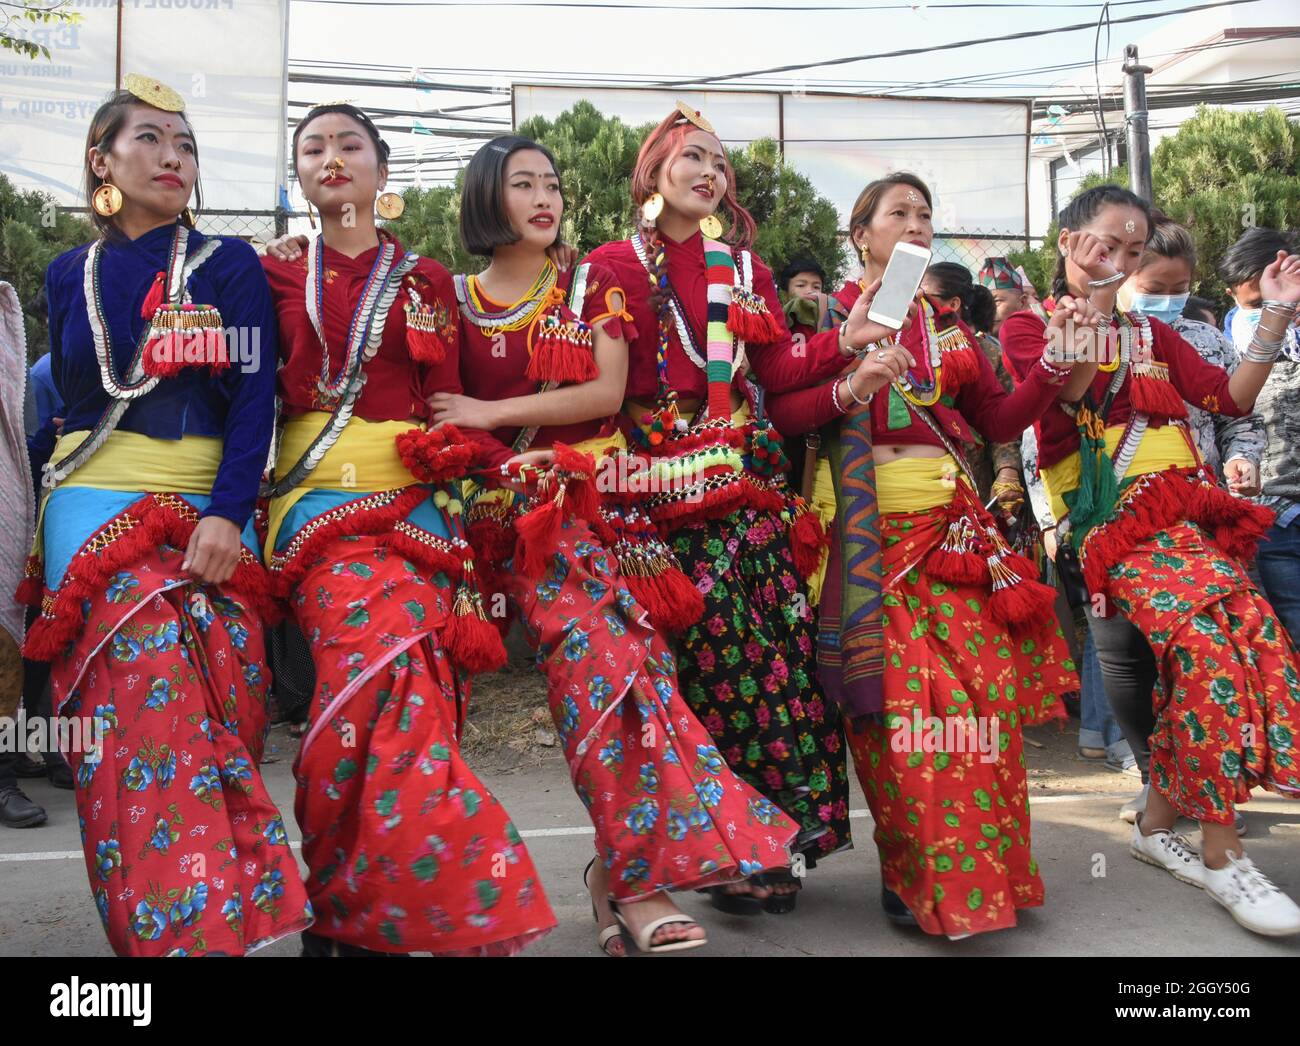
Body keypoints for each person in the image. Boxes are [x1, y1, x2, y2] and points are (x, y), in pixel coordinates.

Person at [422, 134, 799, 953]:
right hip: (481, 523)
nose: (544, 197)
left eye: (551, 183)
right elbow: (433, 407)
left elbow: (609, 389)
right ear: (486, 199)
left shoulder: (596, 277)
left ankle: (633, 882)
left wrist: (494, 421)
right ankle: (443, 896)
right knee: (427, 715)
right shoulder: (449, 297)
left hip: (587, 512)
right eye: (522, 184)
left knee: (623, 679)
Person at [581, 102, 905, 909]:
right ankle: (705, 847)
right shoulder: (613, 264)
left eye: (720, 164)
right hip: (651, 505)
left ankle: (771, 849)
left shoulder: (746, 271)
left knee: (777, 668)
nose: (709, 173)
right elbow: (596, 396)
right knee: (699, 677)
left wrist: (845, 354)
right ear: (654, 170)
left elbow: (779, 382)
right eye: (693, 157)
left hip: (747, 495)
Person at [19, 76, 311, 955]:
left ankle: (225, 909)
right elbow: (65, 402)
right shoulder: (66, 271)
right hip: (92, 502)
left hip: (209, 507)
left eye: (184, 143)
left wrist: (227, 513)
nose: (172, 155)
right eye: (148, 139)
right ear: (101, 161)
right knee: (141, 706)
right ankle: (170, 939)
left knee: (229, 704)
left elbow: (255, 398)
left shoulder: (229, 265)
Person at [259, 105, 555, 956]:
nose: (332, 158)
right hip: (318, 513)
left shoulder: (426, 279)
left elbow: (450, 403)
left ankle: (350, 914)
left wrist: (504, 466)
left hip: (422, 518)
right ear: (300, 176)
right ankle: (433, 893)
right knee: (368, 691)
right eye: (313, 147)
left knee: (417, 696)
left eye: (350, 145)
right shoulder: (267, 274)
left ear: (383, 172)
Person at [767, 171, 1081, 939]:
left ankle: (982, 875)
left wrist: (1050, 366)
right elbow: (780, 410)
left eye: (925, 214)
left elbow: (1001, 415)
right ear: (861, 234)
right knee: (904, 715)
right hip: (866, 546)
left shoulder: (948, 328)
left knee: (982, 710)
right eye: (897, 212)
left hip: (952, 542)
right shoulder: (827, 317)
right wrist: (852, 385)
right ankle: (918, 877)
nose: (914, 223)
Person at [1002, 184, 1300, 938]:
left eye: (1133, 251)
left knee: (1253, 636)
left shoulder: (1154, 334)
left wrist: (1276, 313)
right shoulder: (1029, 328)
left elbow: (1230, 401)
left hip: (1189, 512)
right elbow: (1065, 404)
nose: (1122, 261)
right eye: (1108, 244)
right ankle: (1223, 852)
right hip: (1117, 523)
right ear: (1068, 242)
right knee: (1206, 652)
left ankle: (1156, 821)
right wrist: (1094, 309)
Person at [1218, 227, 1300, 647]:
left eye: (1259, 304)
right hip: (1274, 518)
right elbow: (1233, 422)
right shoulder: (1231, 349)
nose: (1252, 315)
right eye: (1247, 305)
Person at [922, 261, 1025, 513]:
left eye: (924, 295)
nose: (914, 300)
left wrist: (1007, 471)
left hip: (971, 480)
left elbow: (1002, 421)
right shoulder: (894, 344)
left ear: (953, 304)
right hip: (911, 481)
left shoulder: (988, 353)